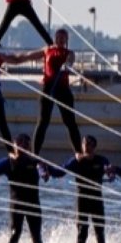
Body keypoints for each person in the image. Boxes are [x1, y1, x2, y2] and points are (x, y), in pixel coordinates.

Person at [0, 134, 53, 243]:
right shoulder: (8, 163)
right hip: (16, 205)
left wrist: (45, 174)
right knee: (16, 233)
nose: (24, 146)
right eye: (20, 143)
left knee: (36, 236)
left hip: (33, 204)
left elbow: (43, 171)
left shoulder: (35, 162)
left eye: (27, 144)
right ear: (14, 146)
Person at [29, 29, 83, 157]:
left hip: (63, 88)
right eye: (58, 37)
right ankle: (34, 154)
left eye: (63, 38)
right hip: (48, 87)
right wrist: (12, 59)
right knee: (43, 122)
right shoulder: (47, 50)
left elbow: (70, 60)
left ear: (66, 40)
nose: (60, 40)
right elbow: (28, 56)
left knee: (70, 122)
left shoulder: (69, 53)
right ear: (55, 38)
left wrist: (67, 64)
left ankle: (78, 152)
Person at [61, 135, 113, 243]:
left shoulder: (101, 160)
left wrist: (110, 174)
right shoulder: (76, 161)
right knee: (82, 232)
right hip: (82, 200)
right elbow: (61, 170)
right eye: (84, 143)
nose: (86, 146)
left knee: (100, 232)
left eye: (89, 144)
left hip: (97, 200)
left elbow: (111, 172)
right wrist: (46, 172)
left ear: (94, 147)